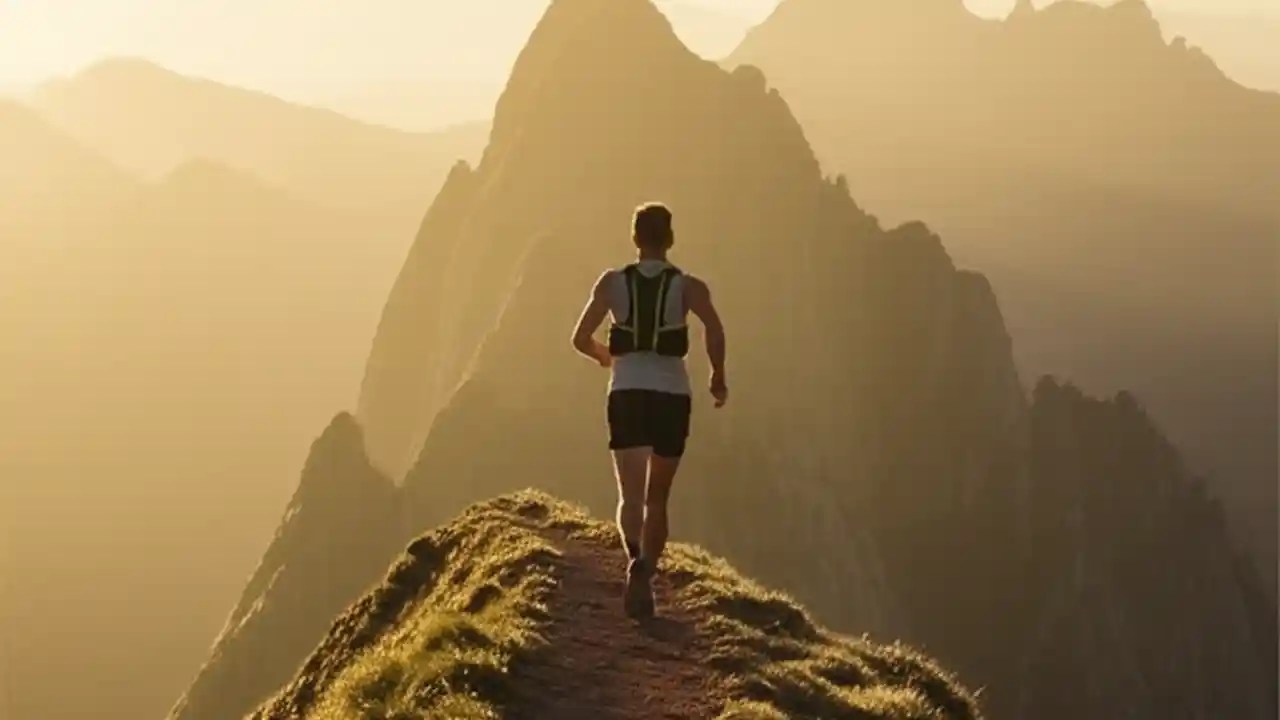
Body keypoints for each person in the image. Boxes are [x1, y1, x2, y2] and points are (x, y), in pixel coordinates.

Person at [570, 202, 728, 619]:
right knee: (658, 499)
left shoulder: (611, 283)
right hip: (672, 396)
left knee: (630, 496)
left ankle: (634, 557)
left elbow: (580, 337)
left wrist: (606, 357)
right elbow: (714, 328)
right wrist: (717, 375)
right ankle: (646, 571)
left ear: (635, 238)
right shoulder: (689, 287)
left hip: (626, 393)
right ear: (670, 239)